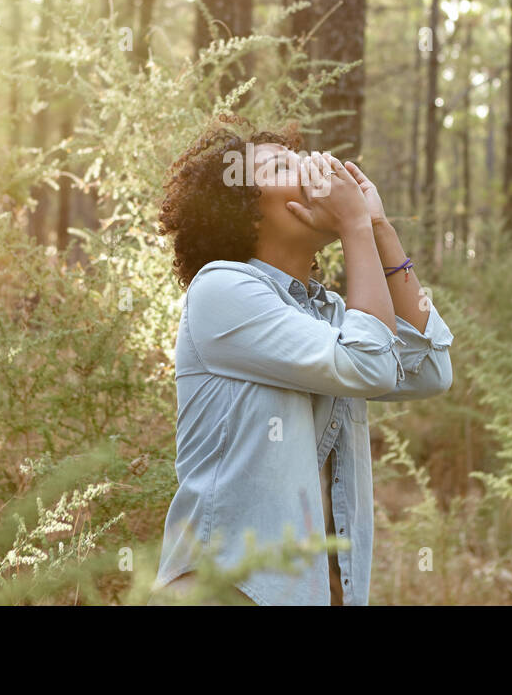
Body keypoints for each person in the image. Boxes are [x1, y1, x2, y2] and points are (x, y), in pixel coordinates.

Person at [147, 115, 454, 605]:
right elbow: (370, 364)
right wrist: (353, 224)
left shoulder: (326, 313)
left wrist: (378, 228)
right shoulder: (222, 290)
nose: (312, 167)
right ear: (245, 213)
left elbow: (430, 369)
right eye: (279, 167)